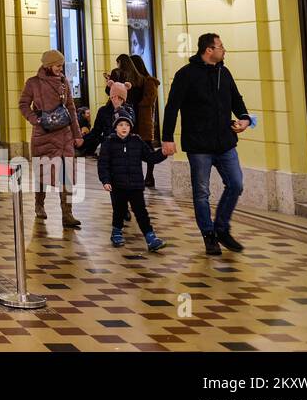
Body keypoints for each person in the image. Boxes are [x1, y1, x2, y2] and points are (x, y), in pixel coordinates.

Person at [162, 33, 252, 256]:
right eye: (221, 46)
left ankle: (221, 228)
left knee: (236, 184)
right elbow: (172, 107)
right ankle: (209, 234)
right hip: (199, 145)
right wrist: (167, 138)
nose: (224, 50)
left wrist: (244, 118)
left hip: (225, 142)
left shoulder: (224, 72)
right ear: (208, 50)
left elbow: (236, 99)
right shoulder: (186, 75)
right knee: (202, 193)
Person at [18, 49, 84, 228]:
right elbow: (23, 104)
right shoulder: (33, 83)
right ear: (47, 65)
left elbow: (71, 109)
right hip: (43, 134)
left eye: (61, 65)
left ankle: (67, 214)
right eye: (57, 65)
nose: (60, 68)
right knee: (43, 173)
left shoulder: (64, 82)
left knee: (67, 174)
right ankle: (39, 204)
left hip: (64, 135)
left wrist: (77, 134)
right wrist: (35, 119)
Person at [98, 112, 166, 251]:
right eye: (121, 125)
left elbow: (150, 157)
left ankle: (150, 237)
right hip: (118, 186)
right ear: (115, 127)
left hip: (135, 185)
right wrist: (105, 180)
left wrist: (163, 153)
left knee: (141, 212)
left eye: (127, 125)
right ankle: (116, 232)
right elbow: (103, 164)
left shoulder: (137, 141)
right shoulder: (109, 143)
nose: (124, 127)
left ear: (131, 127)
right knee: (119, 210)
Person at [129, 53, 162, 188]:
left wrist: (136, 104)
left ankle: (149, 176)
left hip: (143, 121)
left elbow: (149, 100)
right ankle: (139, 177)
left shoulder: (149, 81)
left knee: (148, 149)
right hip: (133, 120)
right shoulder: (133, 82)